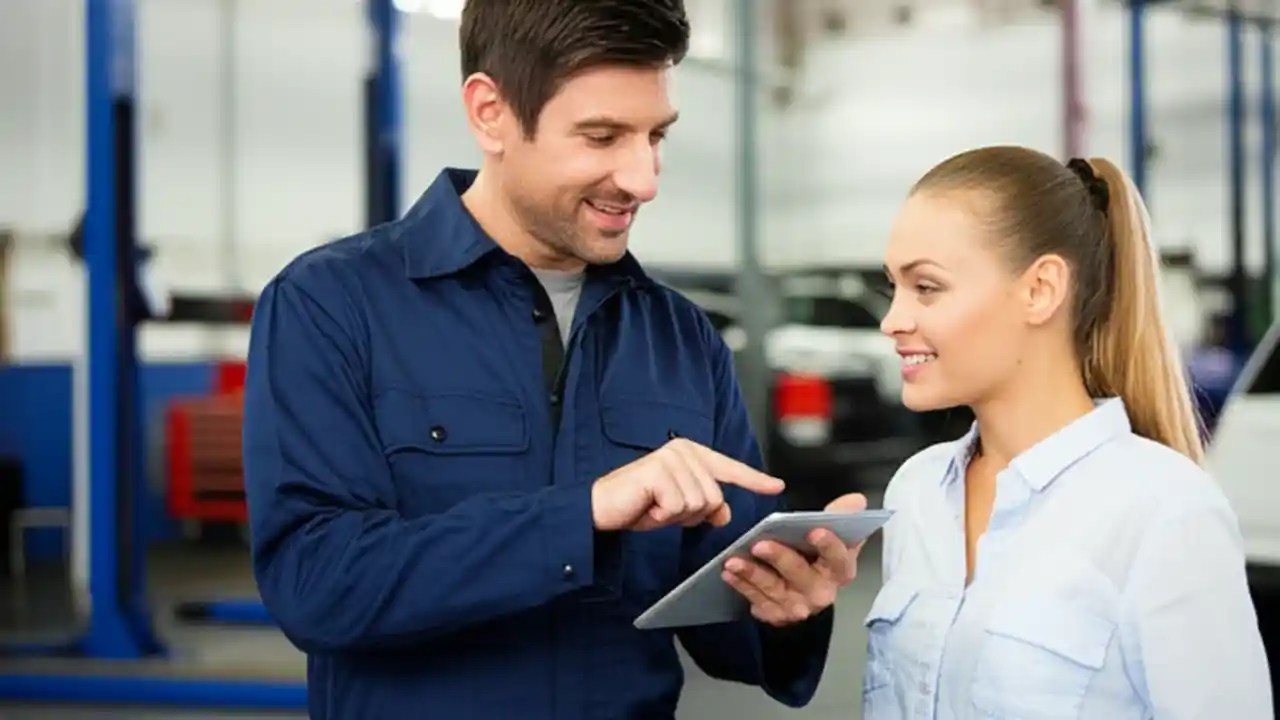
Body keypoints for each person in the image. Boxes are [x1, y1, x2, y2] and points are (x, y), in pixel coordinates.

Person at [241, 1, 866, 718]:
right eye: (603, 137)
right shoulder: (331, 305)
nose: (643, 179)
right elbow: (317, 584)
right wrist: (583, 516)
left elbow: (723, 631)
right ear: (491, 114)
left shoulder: (681, 339)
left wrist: (787, 602)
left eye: (656, 136)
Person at [866, 146, 1273, 719]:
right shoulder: (917, 492)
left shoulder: (1165, 511)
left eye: (926, 288)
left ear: (1040, 289)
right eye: (894, 287)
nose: (892, 321)